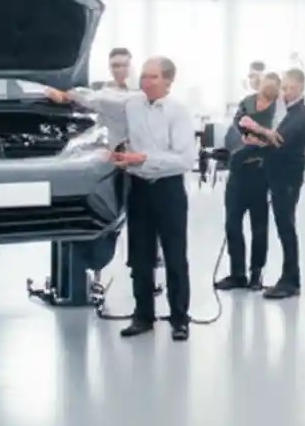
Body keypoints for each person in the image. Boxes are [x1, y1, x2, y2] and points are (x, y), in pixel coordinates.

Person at [46, 57, 198, 341]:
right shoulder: (132, 103)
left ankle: (180, 319)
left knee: (175, 256)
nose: (145, 81)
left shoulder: (178, 112)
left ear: (168, 81)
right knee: (140, 256)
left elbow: (185, 159)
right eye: (144, 76)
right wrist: (66, 95)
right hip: (139, 187)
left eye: (152, 77)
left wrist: (144, 158)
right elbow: (99, 100)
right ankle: (143, 316)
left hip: (169, 190)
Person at [243, 69, 305, 300]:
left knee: (286, 227)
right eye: (284, 88)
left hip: (288, 178)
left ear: (301, 87)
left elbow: (279, 139)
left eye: (291, 88)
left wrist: (257, 132)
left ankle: (291, 280)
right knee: (283, 226)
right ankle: (289, 277)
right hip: (276, 175)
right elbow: (272, 136)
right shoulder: (285, 111)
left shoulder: (301, 115)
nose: (287, 92)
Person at [216, 73, 281, 292]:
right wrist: (250, 134)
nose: (267, 92)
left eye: (273, 89)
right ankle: (237, 274)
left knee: (259, 226)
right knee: (232, 224)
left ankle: (256, 273)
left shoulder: (278, 111)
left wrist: (258, 135)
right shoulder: (247, 102)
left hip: (260, 173)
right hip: (237, 172)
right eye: (265, 88)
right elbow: (238, 124)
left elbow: (275, 139)